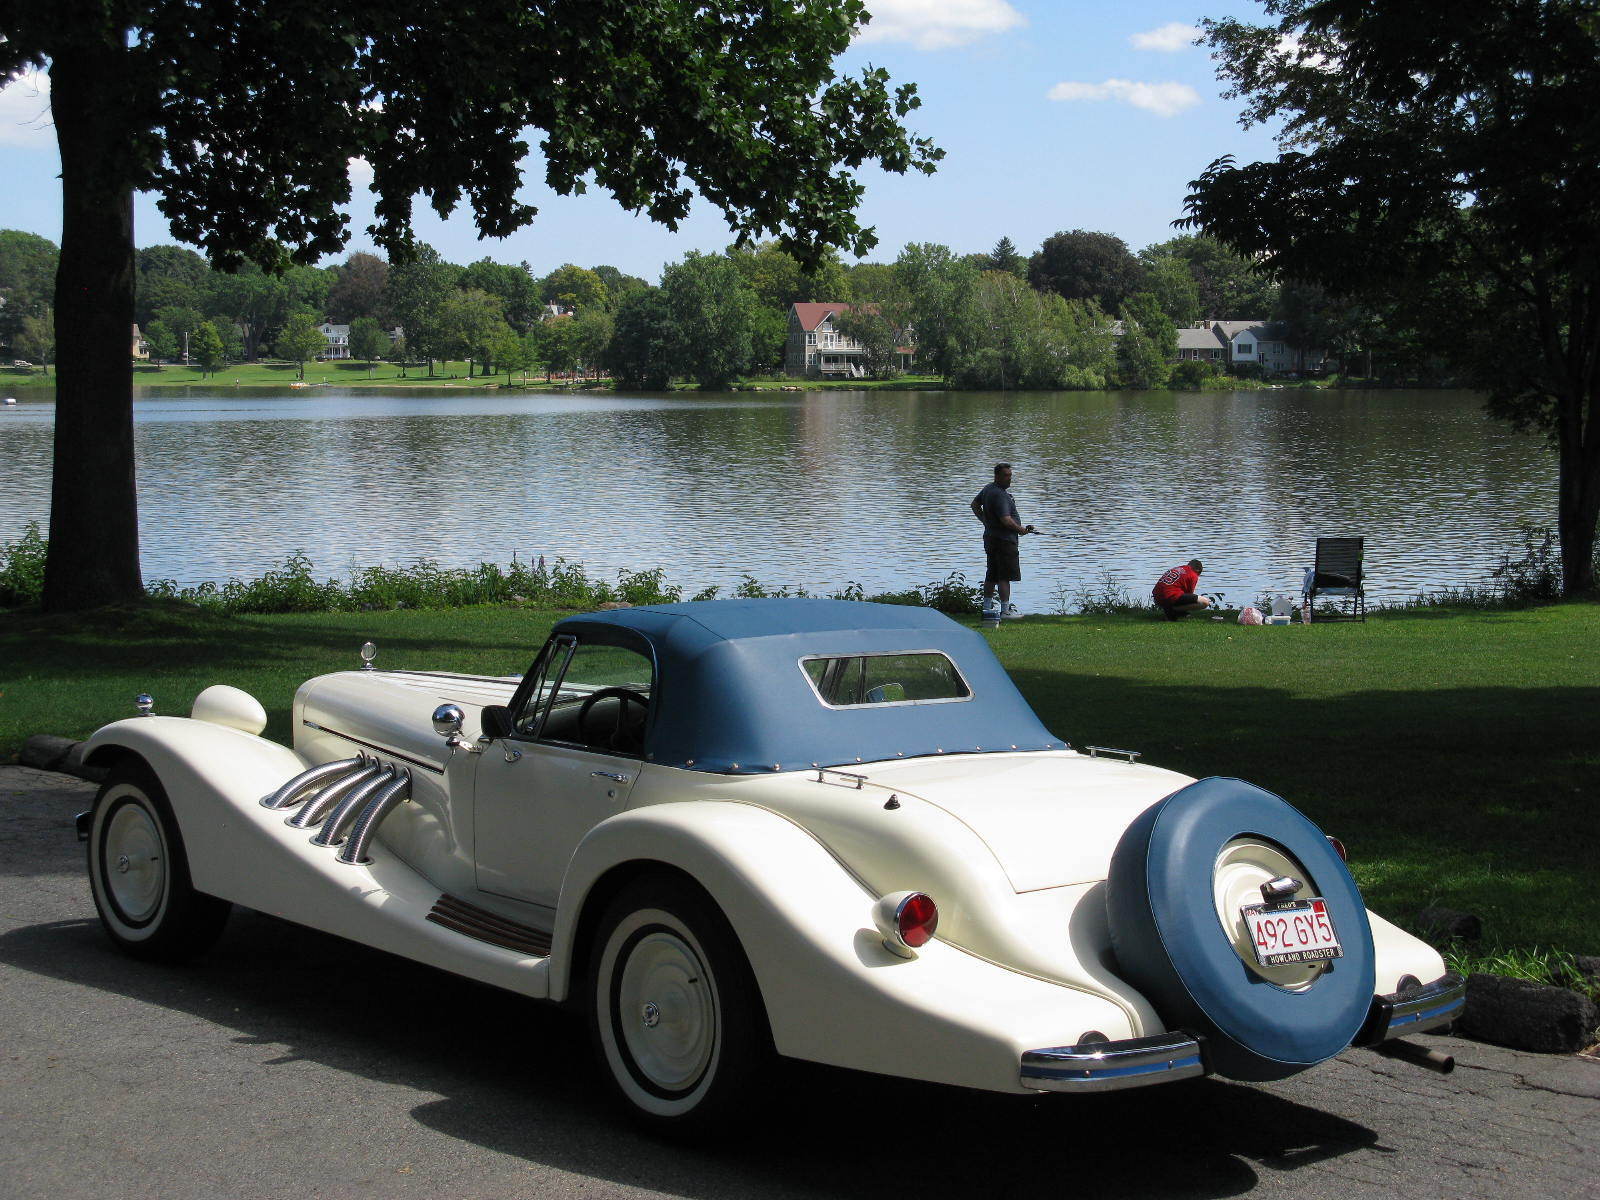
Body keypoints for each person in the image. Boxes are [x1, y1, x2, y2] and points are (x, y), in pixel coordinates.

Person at [971, 463, 1034, 618]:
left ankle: (986, 608)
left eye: (1010, 475)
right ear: (997, 476)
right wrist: (1022, 530)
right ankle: (1005, 611)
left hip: (991, 537)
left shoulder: (988, 489)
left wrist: (986, 521)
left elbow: (974, 505)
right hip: (1004, 540)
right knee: (1004, 576)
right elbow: (1006, 520)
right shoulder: (999, 494)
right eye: (1006, 475)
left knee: (991, 574)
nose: (1009, 479)